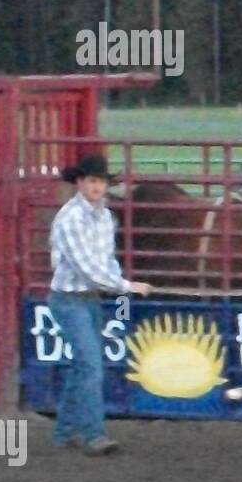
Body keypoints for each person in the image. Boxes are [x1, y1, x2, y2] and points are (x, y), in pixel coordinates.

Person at [48, 153, 153, 454]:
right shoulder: (70, 219)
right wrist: (126, 286)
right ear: (80, 183)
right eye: (92, 181)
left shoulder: (105, 217)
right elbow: (88, 268)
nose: (97, 187)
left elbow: (106, 261)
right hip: (69, 300)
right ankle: (94, 435)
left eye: (101, 182)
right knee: (91, 366)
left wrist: (121, 283)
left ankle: (66, 432)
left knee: (84, 366)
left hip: (87, 299)